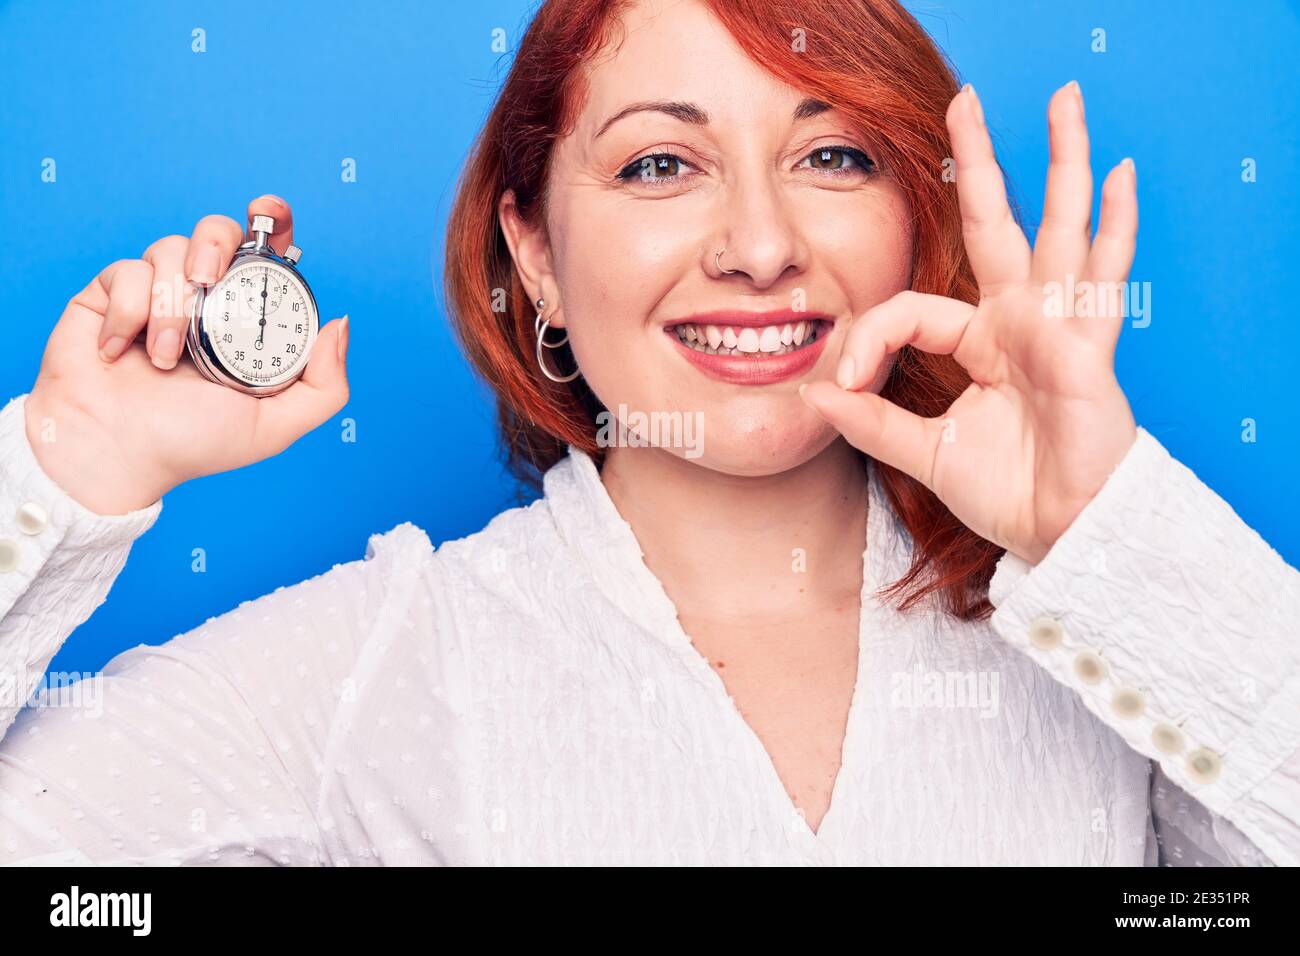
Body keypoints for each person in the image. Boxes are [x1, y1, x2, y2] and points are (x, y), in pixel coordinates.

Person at [1, 0, 1296, 866]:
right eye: (659, 166)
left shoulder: (1100, 636)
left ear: (915, 218)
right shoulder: (390, 661)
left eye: (835, 157)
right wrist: (72, 462)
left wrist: (1109, 532)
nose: (761, 247)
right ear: (536, 256)